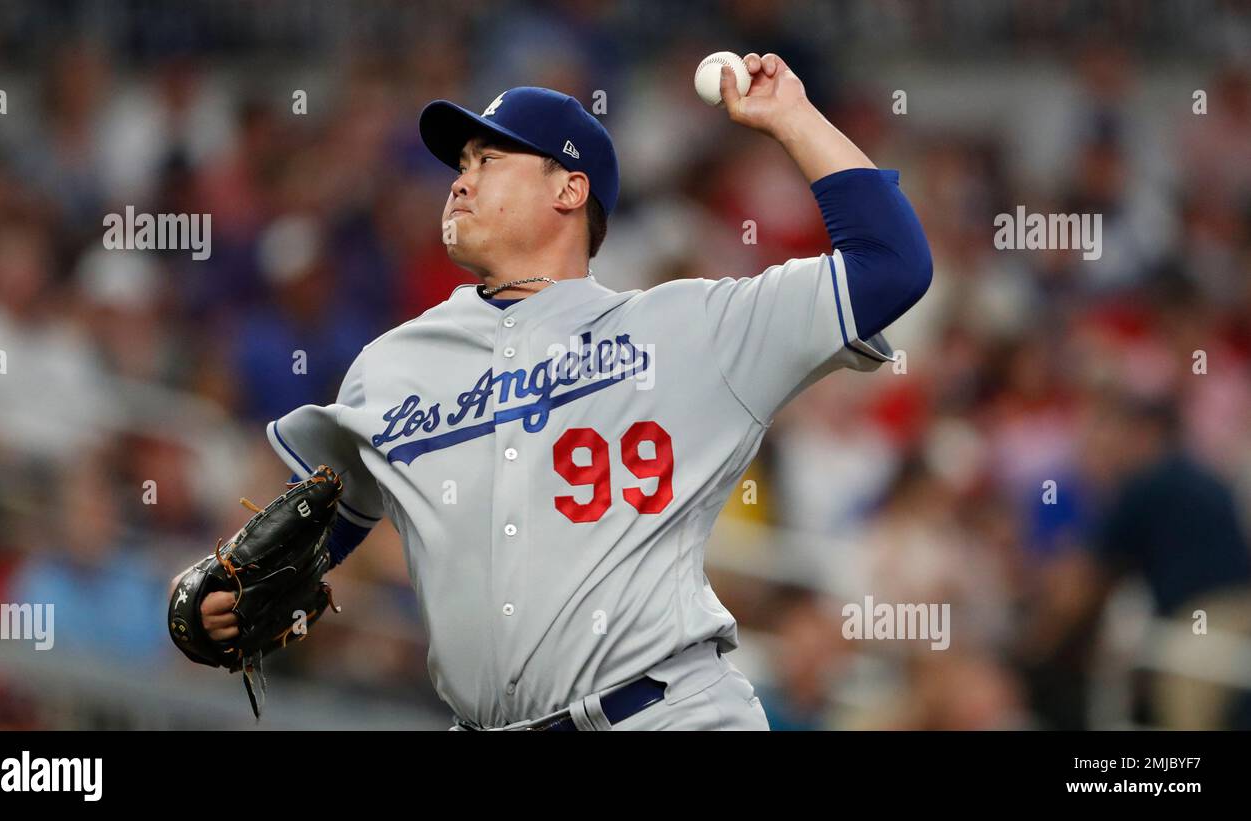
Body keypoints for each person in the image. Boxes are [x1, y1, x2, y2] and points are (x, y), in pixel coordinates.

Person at [185, 53, 932, 730]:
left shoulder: (690, 326)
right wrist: (229, 599)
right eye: (461, 161)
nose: (461, 176)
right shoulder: (392, 366)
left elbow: (892, 264)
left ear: (570, 188)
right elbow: (312, 528)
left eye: (490, 157)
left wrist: (792, 118)